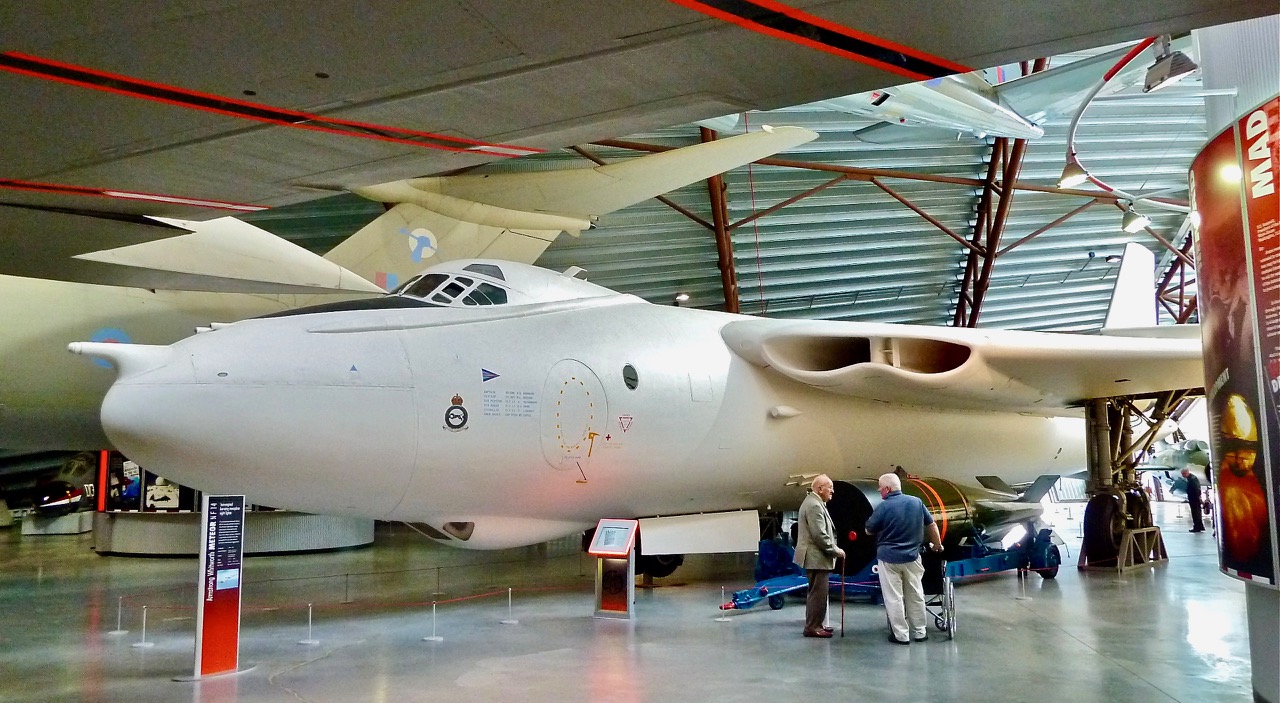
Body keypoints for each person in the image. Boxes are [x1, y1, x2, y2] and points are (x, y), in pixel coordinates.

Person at [864, 473, 942, 645]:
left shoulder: (883, 507)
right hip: (912, 558)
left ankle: (901, 635)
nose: (879, 491)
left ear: (888, 489)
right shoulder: (916, 502)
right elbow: (932, 525)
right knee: (915, 594)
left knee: (894, 597)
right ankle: (921, 632)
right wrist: (937, 545)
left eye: (880, 488)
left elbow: (868, 530)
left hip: (889, 559)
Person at [793, 474, 845, 638]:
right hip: (816, 557)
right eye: (830, 487)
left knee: (817, 593)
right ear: (820, 488)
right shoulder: (814, 505)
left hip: (816, 557)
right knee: (818, 594)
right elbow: (819, 535)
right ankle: (813, 627)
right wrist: (835, 550)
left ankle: (815, 624)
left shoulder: (814, 502)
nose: (832, 491)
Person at [1181, 468, 1205, 532]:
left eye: (1183, 474)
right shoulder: (1192, 478)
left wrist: (1198, 498)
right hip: (1195, 498)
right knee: (1197, 513)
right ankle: (1200, 526)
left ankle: (1197, 527)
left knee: (1195, 513)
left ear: (1186, 473)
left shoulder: (1192, 479)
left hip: (1194, 499)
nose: (1182, 476)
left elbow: (1196, 489)